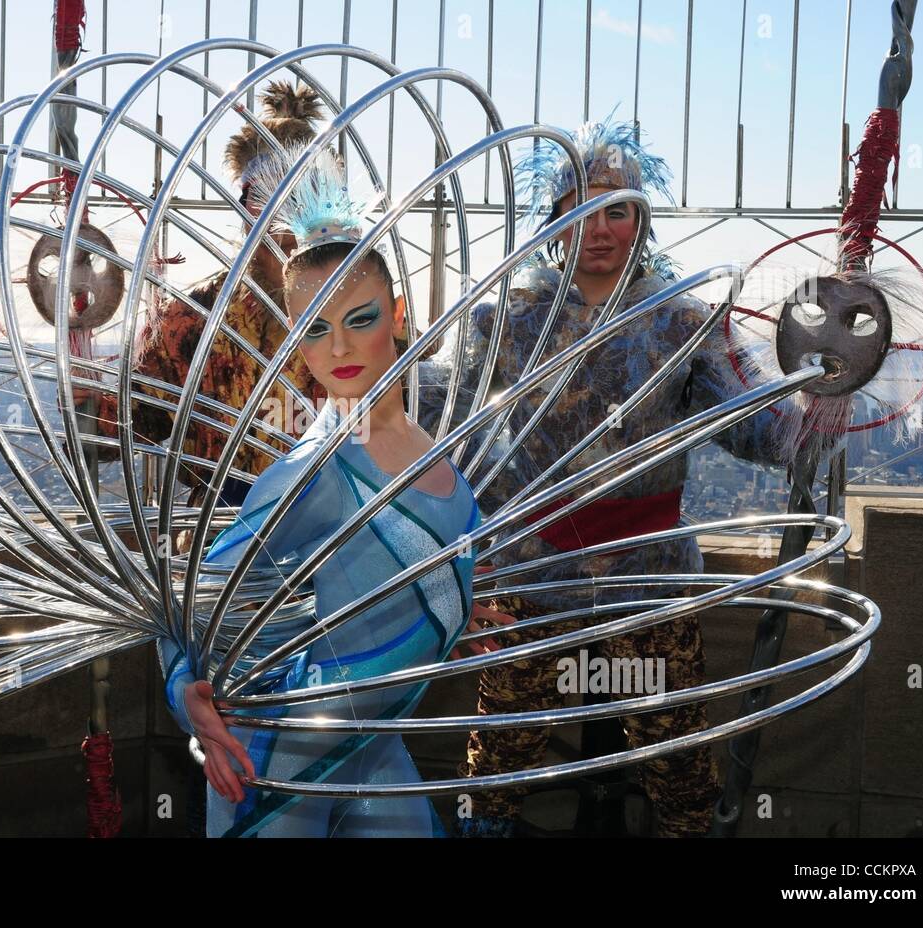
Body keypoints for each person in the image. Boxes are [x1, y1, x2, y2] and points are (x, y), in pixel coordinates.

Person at [420, 117, 781, 838]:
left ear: (641, 221)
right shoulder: (505, 320)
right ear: (553, 220)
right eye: (580, 207)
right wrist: (359, 384)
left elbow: (754, 430)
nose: (599, 227)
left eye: (617, 209)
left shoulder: (682, 323)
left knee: (676, 755)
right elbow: (440, 412)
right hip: (529, 574)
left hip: (647, 579)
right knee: (500, 759)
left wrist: (819, 385)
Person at [154, 147, 506, 838]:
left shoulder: (439, 455)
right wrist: (181, 690)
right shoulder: (316, 469)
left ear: (399, 314)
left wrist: (449, 614)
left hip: (377, 753)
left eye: (360, 317)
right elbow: (188, 596)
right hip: (278, 768)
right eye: (314, 328)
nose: (338, 344)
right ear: (296, 344)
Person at [89, 80, 329, 509]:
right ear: (246, 213)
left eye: (306, 200)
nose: (289, 229)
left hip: (342, 533)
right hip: (220, 534)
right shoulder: (195, 317)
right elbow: (136, 419)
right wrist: (87, 406)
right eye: (273, 205)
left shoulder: (361, 312)